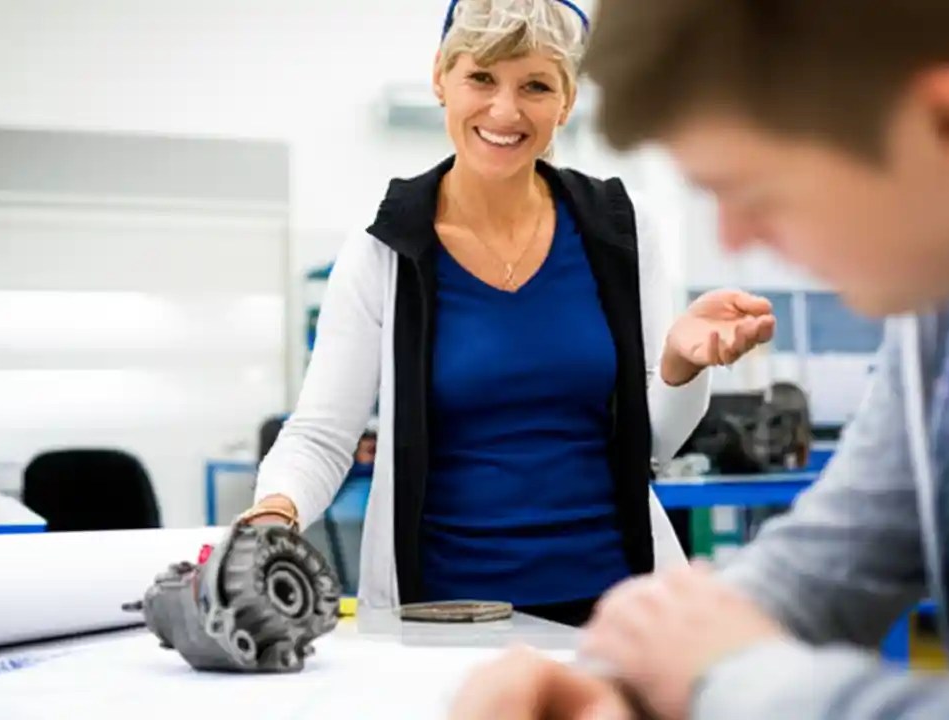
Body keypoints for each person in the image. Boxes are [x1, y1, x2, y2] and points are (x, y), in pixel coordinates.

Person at [449, 0, 949, 716]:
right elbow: (853, 542)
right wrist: (622, 681)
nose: (736, 240)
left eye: (754, 193)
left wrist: (723, 678)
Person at [237, 0, 776, 627]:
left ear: (567, 101)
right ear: (441, 77)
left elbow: (652, 447)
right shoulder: (384, 250)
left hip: (616, 610)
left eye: (536, 86)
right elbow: (322, 435)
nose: (504, 110)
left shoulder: (621, 232)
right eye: (482, 78)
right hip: (440, 615)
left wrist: (681, 365)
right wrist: (274, 512)